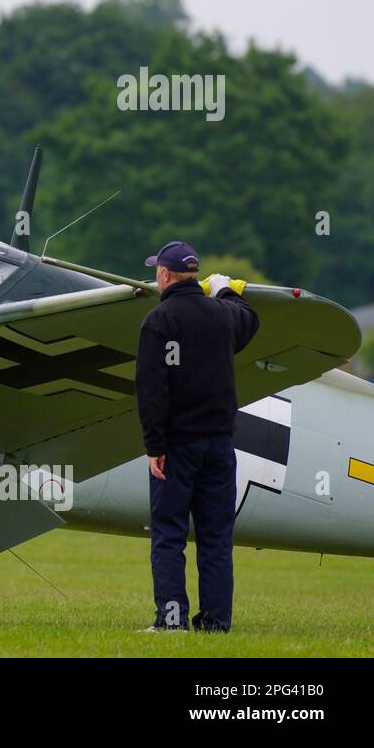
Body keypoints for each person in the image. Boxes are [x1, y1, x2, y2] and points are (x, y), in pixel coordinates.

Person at [135, 241, 259, 633]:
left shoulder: (158, 322)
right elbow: (248, 319)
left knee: (170, 535)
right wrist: (222, 290)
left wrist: (154, 447)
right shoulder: (223, 315)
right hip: (220, 446)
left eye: (158, 271)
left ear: (166, 275)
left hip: (176, 447)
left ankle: (171, 622)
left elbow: (151, 392)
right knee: (216, 538)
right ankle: (217, 622)